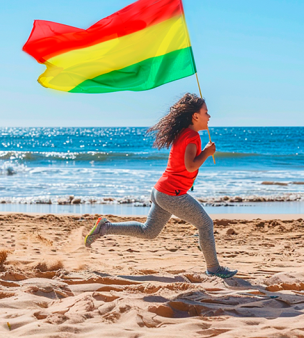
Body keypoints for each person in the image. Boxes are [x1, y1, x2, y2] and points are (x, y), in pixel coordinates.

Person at [83, 93, 237, 279]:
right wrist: (206, 152)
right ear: (195, 116)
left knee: (148, 232)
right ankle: (213, 268)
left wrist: (204, 152)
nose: (209, 116)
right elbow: (191, 166)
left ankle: (105, 228)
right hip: (172, 194)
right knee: (205, 224)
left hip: (160, 191)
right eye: (206, 112)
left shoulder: (183, 134)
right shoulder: (193, 136)